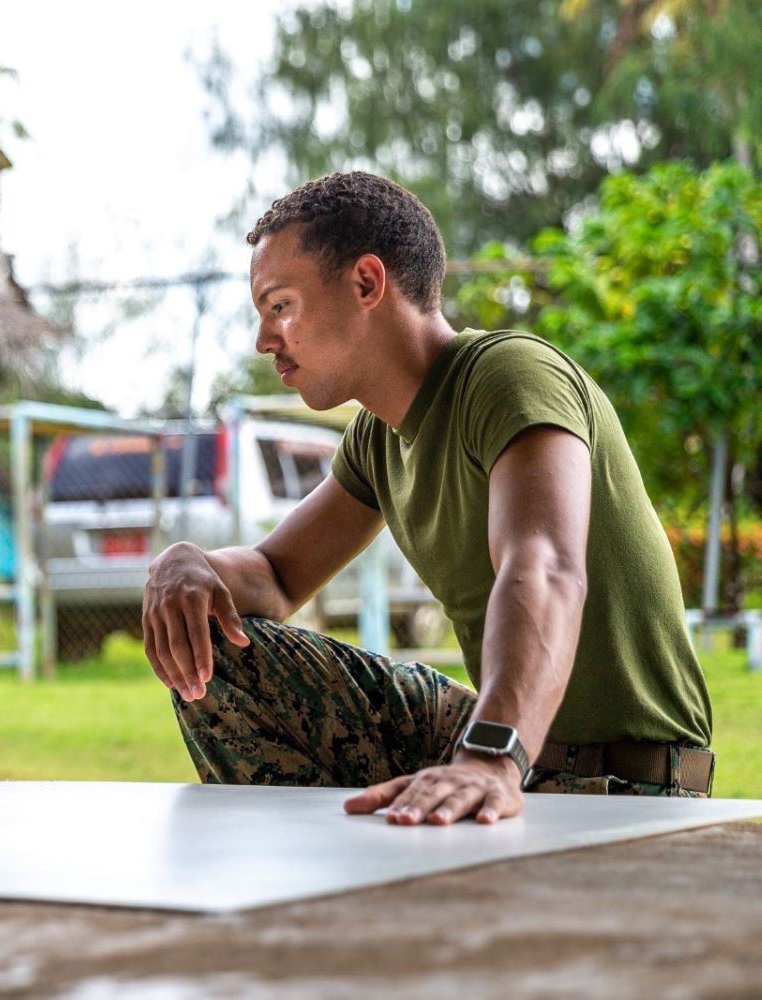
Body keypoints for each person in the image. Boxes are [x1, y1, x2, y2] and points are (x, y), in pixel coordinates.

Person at [142, 171, 713, 824]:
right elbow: (273, 577)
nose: (265, 340)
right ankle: (328, 887)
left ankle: (414, 843)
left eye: (280, 306)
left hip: (622, 780)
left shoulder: (507, 375)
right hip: (493, 744)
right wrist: (187, 564)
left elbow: (546, 566)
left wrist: (493, 756)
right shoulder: (378, 438)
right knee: (223, 649)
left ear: (366, 283)